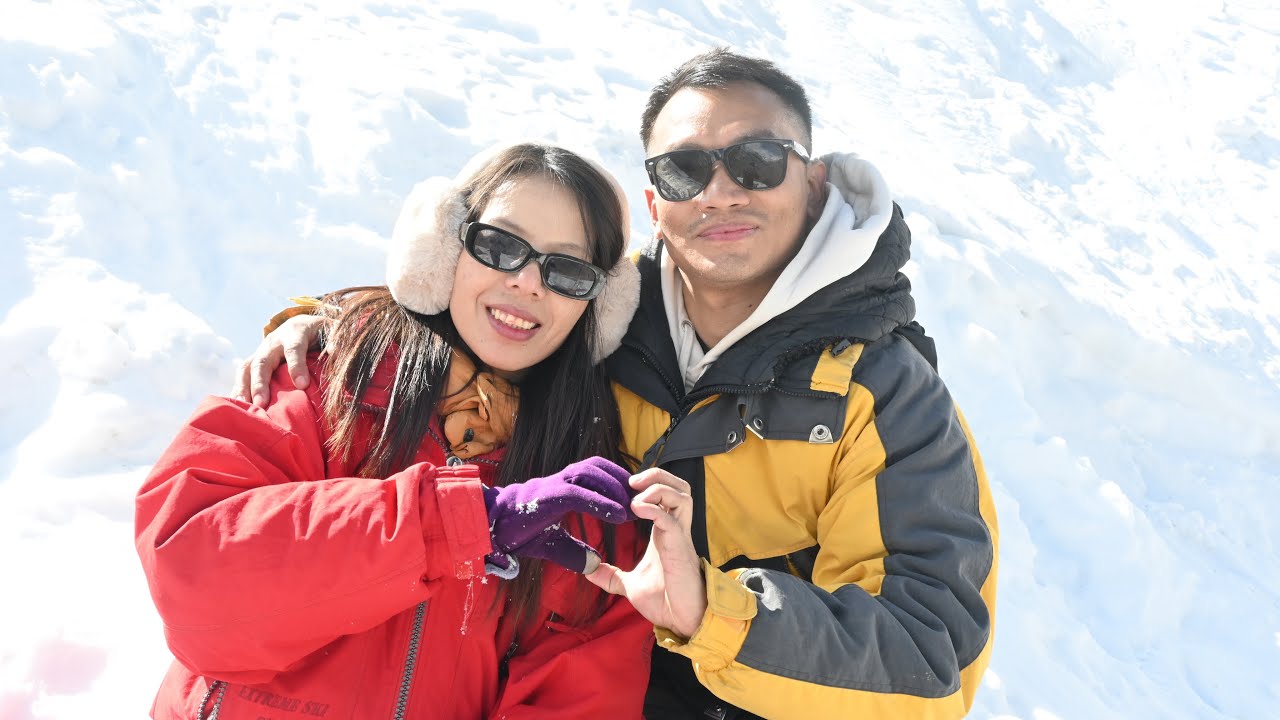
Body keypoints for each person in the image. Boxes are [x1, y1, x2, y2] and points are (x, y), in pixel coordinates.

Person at [237, 50, 999, 720]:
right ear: (654, 203)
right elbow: (479, 298)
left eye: (759, 161)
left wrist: (716, 615)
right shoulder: (591, 315)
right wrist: (336, 321)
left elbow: (929, 664)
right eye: (684, 169)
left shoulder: (887, 396)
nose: (721, 193)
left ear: (814, 179)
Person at [135, 143, 672, 720]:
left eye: (567, 270)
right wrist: (456, 524)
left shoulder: (587, 493)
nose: (526, 283)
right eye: (500, 246)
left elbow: (580, 699)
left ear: (599, 305)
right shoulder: (322, 377)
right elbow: (194, 587)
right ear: (443, 248)